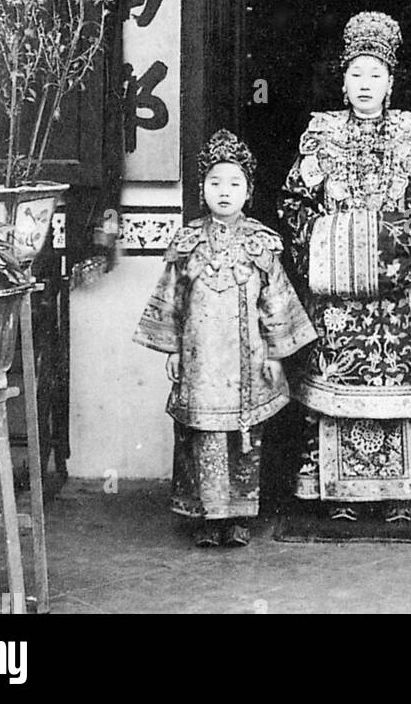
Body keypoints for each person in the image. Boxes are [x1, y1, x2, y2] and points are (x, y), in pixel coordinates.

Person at [279, 10, 411, 522]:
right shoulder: (321, 136)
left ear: (390, 82)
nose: (365, 85)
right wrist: (329, 253)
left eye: (375, 75)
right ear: (342, 81)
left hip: (400, 291)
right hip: (339, 292)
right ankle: (339, 493)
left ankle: (403, 494)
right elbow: (295, 202)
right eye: (356, 74)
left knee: (400, 386)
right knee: (342, 387)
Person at [134, 130, 316, 548]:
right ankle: (206, 515)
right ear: (202, 188)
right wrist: (174, 349)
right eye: (215, 182)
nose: (224, 192)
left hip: (246, 362)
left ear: (248, 191)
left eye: (235, 183)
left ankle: (237, 516)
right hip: (200, 361)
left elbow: (276, 302)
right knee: (202, 435)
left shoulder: (261, 244)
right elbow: (172, 299)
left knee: (244, 436)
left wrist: (274, 354)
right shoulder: (187, 243)